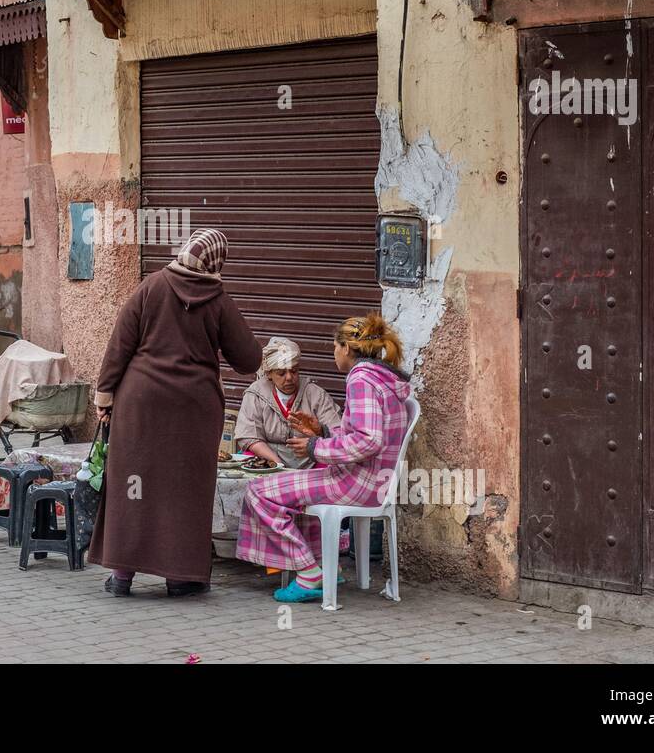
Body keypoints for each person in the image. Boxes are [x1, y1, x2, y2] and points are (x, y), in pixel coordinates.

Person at [88, 229, 262, 598]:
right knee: (183, 492)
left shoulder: (152, 286)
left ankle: (122, 575)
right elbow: (249, 360)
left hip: (140, 406)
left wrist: (105, 398)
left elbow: (119, 344)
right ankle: (181, 577)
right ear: (217, 263)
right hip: (192, 413)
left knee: (132, 486)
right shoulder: (217, 300)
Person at [235, 312, 413, 604]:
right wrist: (323, 430)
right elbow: (363, 433)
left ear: (345, 348)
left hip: (357, 483)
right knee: (287, 489)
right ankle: (318, 565)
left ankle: (308, 571)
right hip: (372, 481)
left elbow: (368, 441)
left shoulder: (361, 379)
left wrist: (315, 447)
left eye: (334, 347)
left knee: (258, 492)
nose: (333, 353)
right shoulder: (382, 377)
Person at [233, 336, 342, 469]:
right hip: (269, 458)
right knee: (246, 456)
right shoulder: (255, 394)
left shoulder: (316, 395)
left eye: (294, 371)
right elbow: (248, 436)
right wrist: (277, 464)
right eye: (281, 373)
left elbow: (339, 433)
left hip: (309, 460)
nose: (289, 377)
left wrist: (319, 432)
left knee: (333, 464)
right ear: (269, 374)